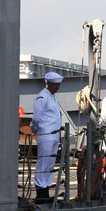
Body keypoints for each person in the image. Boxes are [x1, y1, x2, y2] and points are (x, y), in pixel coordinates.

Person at [30, 70, 63, 203]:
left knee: (49, 163)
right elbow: (36, 118)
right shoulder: (42, 97)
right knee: (43, 163)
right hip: (45, 135)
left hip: (54, 136)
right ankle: (40, 193)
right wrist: (36, 130)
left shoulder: (53, 97)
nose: (57, 87)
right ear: (48, 83)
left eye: (58, 84)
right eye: (55, 84)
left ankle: (46, 191)